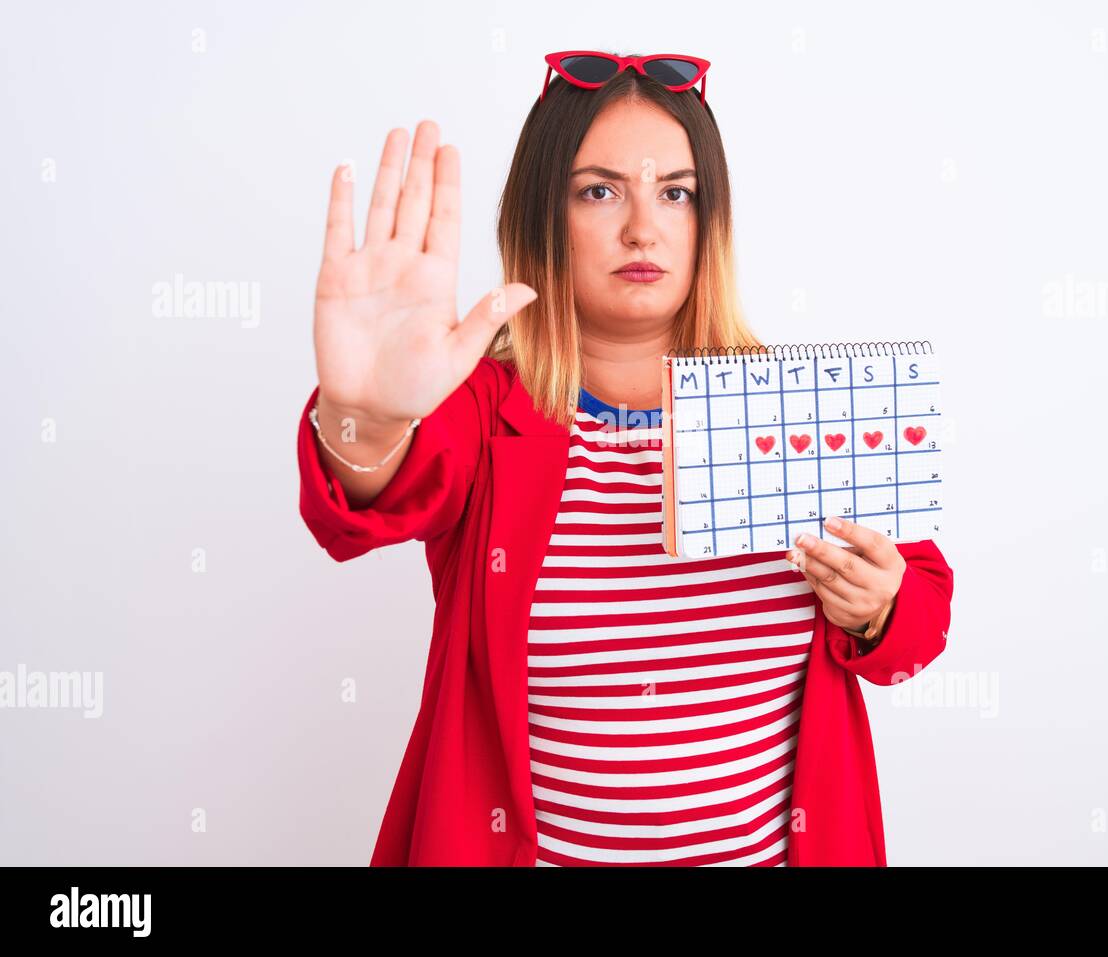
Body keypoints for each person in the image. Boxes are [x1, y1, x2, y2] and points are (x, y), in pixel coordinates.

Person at [298, 51, 954, 866]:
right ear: (545, 213)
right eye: (599, 190)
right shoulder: (484, 411)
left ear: (707, 219)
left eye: (674, 192)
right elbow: (365, 500)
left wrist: (879, 606)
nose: (643, 227)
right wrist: (365, 412)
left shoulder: (791, 405)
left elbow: (920, 618)